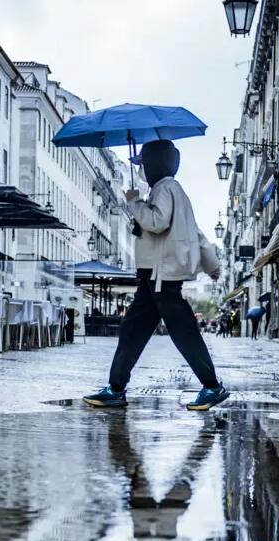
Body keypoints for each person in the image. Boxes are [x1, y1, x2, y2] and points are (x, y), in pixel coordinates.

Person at [83, 140, 229, 411]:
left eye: (143, 164)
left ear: (153, 164)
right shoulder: (173, 190)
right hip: (155, 273)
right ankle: (115, 388)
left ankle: (211, 386)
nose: (141, 170)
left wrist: (134, 203)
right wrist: (211, 263)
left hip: (161, 274)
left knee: (182, 330)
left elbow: (157, 222)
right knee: (133, 330)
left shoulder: (164, 189)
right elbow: (194, 232)